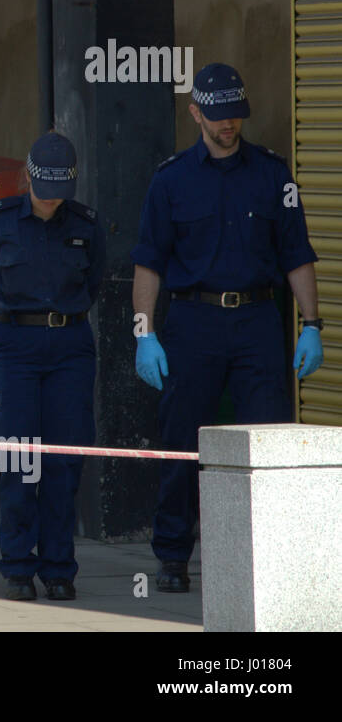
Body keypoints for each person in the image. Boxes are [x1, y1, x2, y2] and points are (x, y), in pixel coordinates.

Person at [132, 62, 321, 593]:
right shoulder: (170, 180)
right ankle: (172, 557)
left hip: (259, 320)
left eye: (235, 115)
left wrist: (313, 323)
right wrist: (144, 334)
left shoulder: (273, 175)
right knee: (181, 441)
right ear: (196, 114)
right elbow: (148, 263)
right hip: (193, 322)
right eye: (217, 117)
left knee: (268, 440)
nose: (228, 125)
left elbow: (297, 254)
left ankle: (273, 550)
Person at [0, 132, 106, 601]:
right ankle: (19, 567)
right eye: (42, 190)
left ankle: (60, 569)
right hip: (14, 346)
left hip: (69, 344)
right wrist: (12, 326)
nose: (49, 200)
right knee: (18, 458)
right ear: (28, 177)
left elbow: (97, 280)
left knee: (65, 461)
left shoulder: (86, 223)